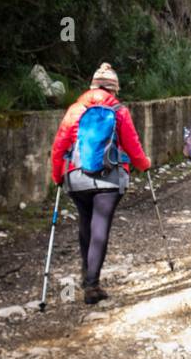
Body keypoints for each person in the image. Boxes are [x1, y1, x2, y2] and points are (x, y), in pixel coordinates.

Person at [50, 62, 152, 305]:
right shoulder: (119, 111)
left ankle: (87, 275)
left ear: (92, 86)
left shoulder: (76, 109)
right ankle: (92, 285)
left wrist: (57, 176)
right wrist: (144, 163)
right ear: (114, 89)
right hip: (109, 179)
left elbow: (59, 147)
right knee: (100, 226)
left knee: (86, 222)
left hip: (77, 177)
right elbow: (132, 144)